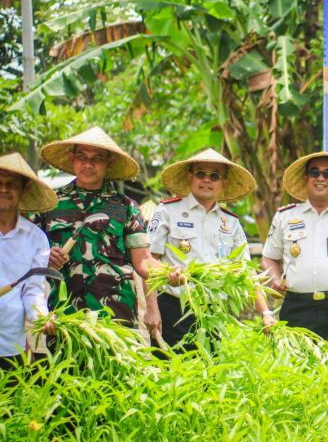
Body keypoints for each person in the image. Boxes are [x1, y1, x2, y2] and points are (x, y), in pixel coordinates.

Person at [33, 127, 162, 335]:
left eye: (97, 158)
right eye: (82, 156)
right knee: (67, 368)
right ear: (72, 158)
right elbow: (27, 251)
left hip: (116, 316)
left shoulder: (126, 207)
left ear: (108, 162)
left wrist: (169, 273)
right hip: (64, 316)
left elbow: (143, 261)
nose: (88, 164)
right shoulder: (49, 205)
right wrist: (45, 257)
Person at [147, 148, 274, 347]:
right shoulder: (168, 211)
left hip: (213, 311)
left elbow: (245, 272)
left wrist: (266, 312)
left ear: (223, 183)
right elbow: (148, 260)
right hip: (172, 308)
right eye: (201, 174)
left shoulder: (230, 222)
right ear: (190, 177)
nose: (207, 180)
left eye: (214, 176)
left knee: (209, 373)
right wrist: (152, 308)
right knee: (170, 371)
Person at [261, 152, 328, 346]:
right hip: (296, 305)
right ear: (306, 179)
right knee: (295, 368)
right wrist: (276, 280)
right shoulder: (285, 216)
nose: (321, 178)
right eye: (315, 172)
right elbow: (269, 258)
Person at [0, 153, 57, 370]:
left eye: (11, 184)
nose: (3, 189)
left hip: (10, 345)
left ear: (23, 190)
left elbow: (32, 291)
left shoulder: (36, 238)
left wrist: (41, 317)